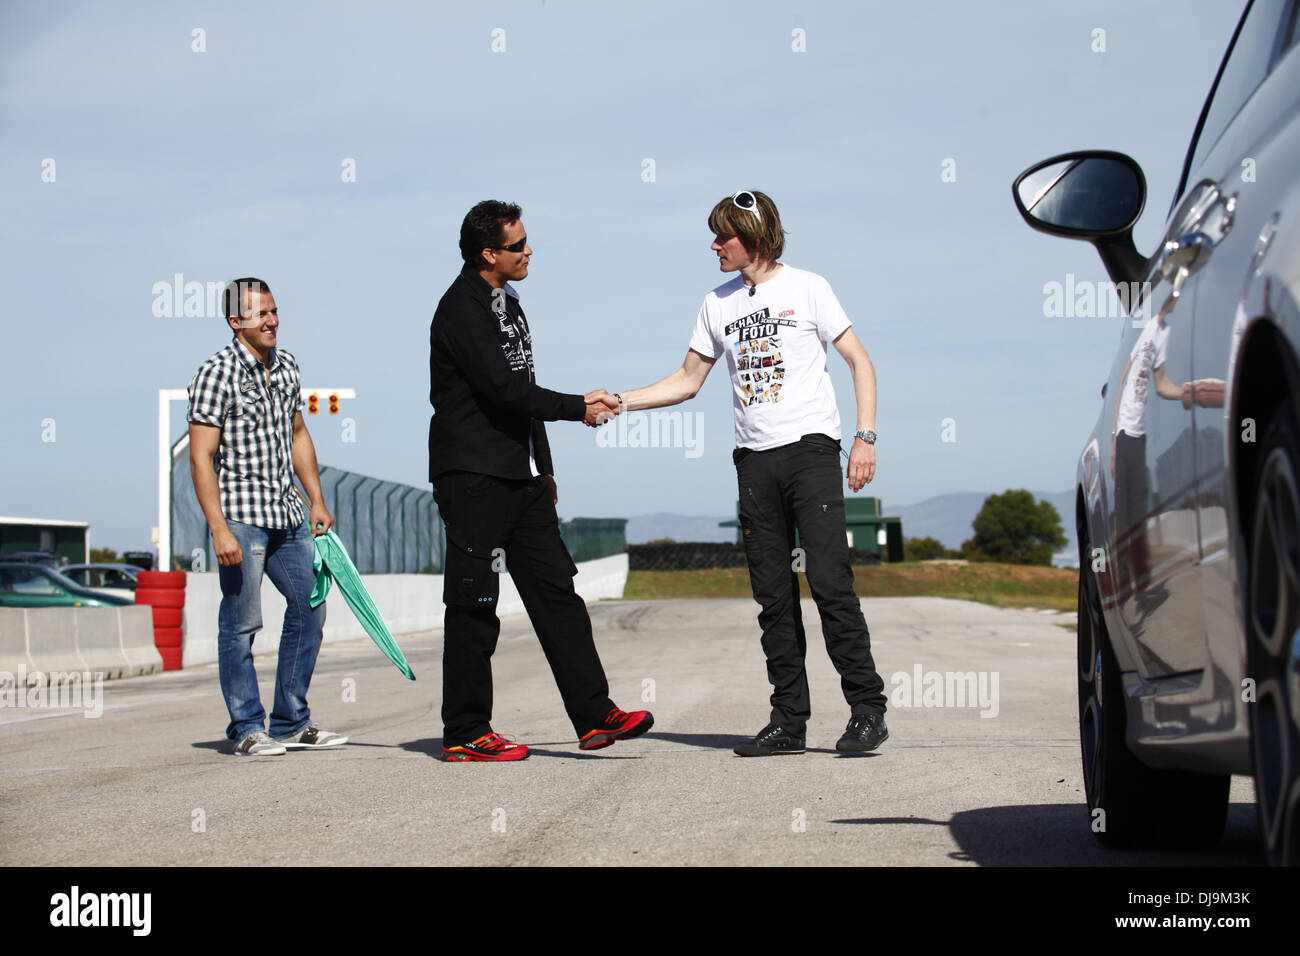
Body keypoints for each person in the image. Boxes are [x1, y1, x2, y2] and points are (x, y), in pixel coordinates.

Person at [611, 190, 888, 756]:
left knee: (831, 585)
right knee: (773, 597)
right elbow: (688, 380)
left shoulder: (810, 287)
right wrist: (620, 401)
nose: (714, 245)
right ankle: (789, 721)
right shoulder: (717, 303)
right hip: (754, 461)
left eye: (724, 236)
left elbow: (860, 361)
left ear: (754, 239)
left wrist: (864, 438)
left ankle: (867, 710)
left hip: (811, 453)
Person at [428, 200, 653, 762]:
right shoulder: (460, 309)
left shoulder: (510, 305)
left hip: (521, 478)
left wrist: (544, 467)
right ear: (488, 253)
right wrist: (579, 407)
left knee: (558, 597)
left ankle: (595, 715)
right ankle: (465, 731)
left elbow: (524, 390)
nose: (529, 252)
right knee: (475, 604)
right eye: (518, 244)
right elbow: (503, 390)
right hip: (474, 478)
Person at [187, 277, 348, 757]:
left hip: (289, 513)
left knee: (310, 609)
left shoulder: (288, 366)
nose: (272, 320)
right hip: (240, 518)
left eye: (274, 311)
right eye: (260, 314)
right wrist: (217, 527)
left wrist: (315, 499)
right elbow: (200, 458)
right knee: (242, 623)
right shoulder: (216, 373)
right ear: (236, 322)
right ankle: (246, 727)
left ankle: (291, 721)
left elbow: (298, 434)